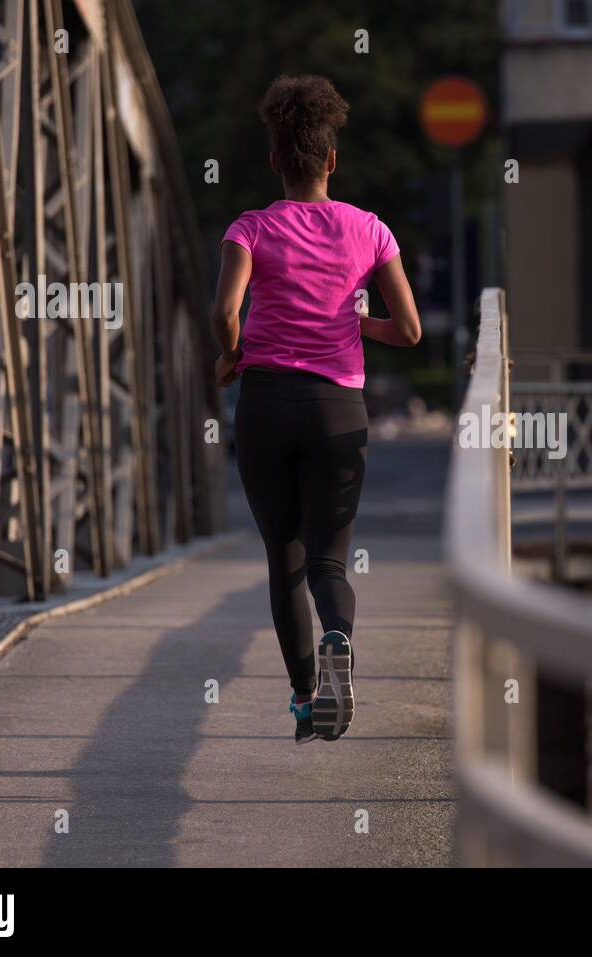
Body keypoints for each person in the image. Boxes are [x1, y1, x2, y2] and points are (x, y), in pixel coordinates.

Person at [210, 75, 421, 743]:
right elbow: (410, 330)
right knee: (330, 560)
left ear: (275, 160)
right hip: (338, 408)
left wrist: (230, 354)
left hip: (267, 402)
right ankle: (338, 635)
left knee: (284, 556)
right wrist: (361, 325)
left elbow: (224, 311)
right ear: (332, 160)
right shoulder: (370, 229)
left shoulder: (250, 227)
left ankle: (305, 699)